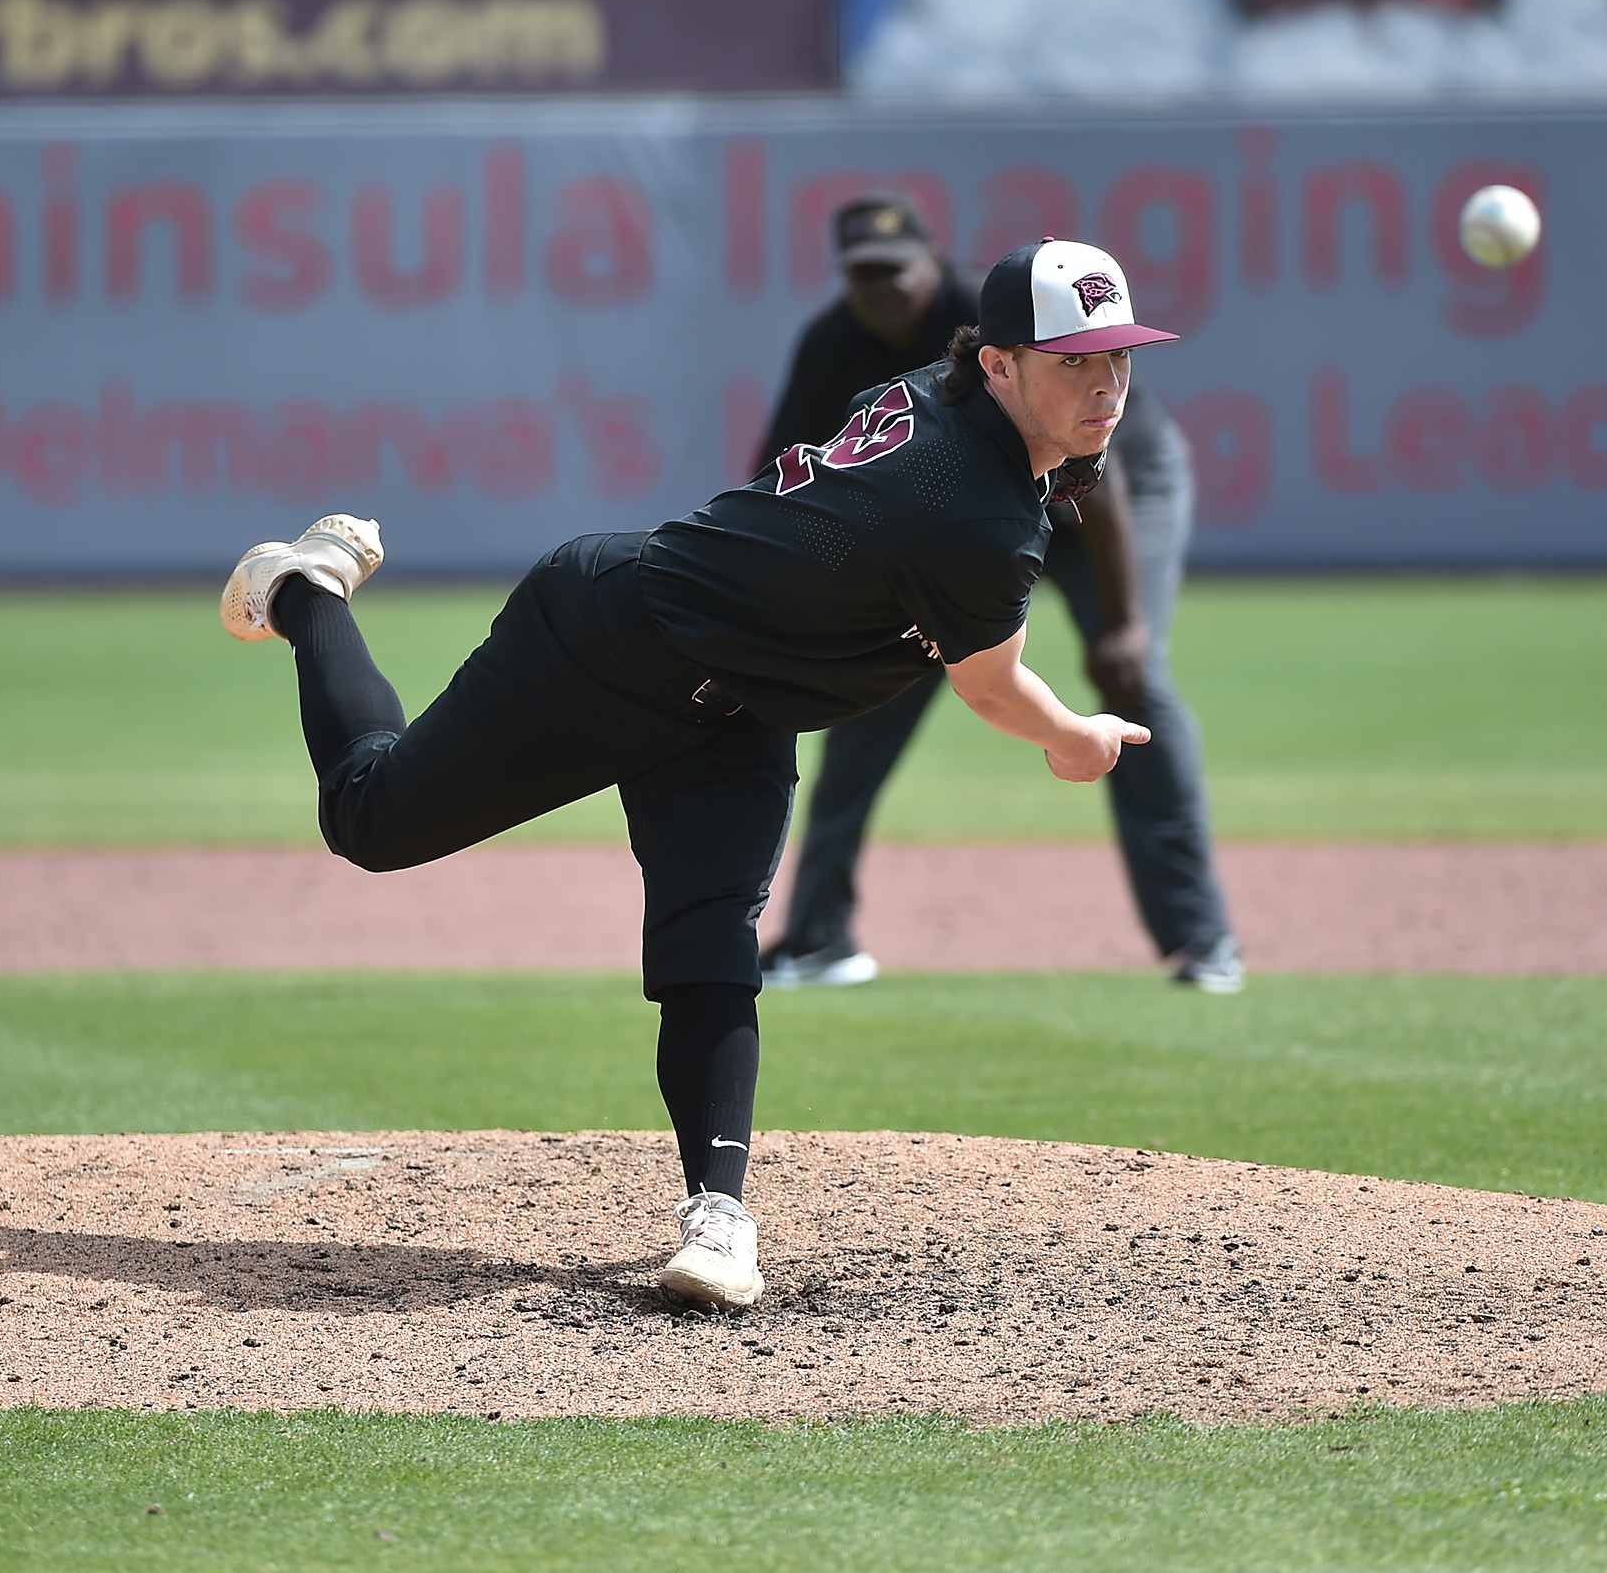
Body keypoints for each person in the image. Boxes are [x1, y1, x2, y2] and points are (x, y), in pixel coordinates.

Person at [219, 240, 1166, 1313]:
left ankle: (717, 1215)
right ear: (998, 366)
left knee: (711, 941)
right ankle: (308, 590)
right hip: (608, 641)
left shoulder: (936, 403)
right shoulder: (976, 518)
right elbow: (993, 689)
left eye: (1117, 357)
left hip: (740, 707)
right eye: (1071, 360)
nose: (1104, 384)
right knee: (370, 817)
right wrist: (1070, 738)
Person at [759, 354, 1242, 996]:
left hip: (1109, 488)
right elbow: (797, 474)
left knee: (1132, 679)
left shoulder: (994, 323)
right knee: (884, 679)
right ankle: (819, 934)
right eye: (866, 274)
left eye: (899, 269)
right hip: (978, 500)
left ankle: (1202, 935)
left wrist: (1124, 623)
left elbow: (1101, 467)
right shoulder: (835, 338)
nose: (883, 289)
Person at [754, 189, 977, 475]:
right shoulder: (828, 343)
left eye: (891, 270)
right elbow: (781, 470)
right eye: (864, 274)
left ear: (932, 261)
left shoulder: (984, 314)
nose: (878, 288)